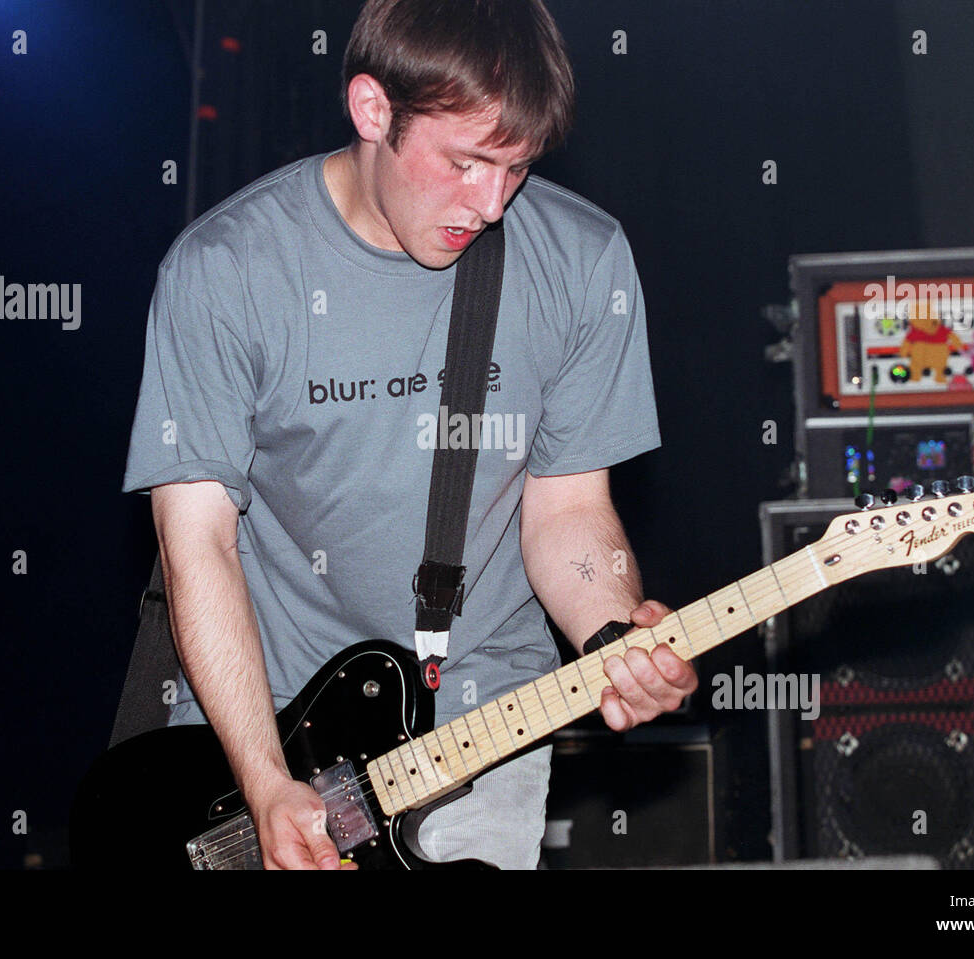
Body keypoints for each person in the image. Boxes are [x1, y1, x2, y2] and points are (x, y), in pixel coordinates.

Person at [122, 0, 697, 870]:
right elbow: (196, 542)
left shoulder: (583, 261)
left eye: (517, 167)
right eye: (466, 162)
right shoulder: (225, 270)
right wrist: (265, 778)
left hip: (481, 711)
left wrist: (616, 639)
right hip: (260, 726)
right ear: (372, 110)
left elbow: (568, 513)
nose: (492, 203)